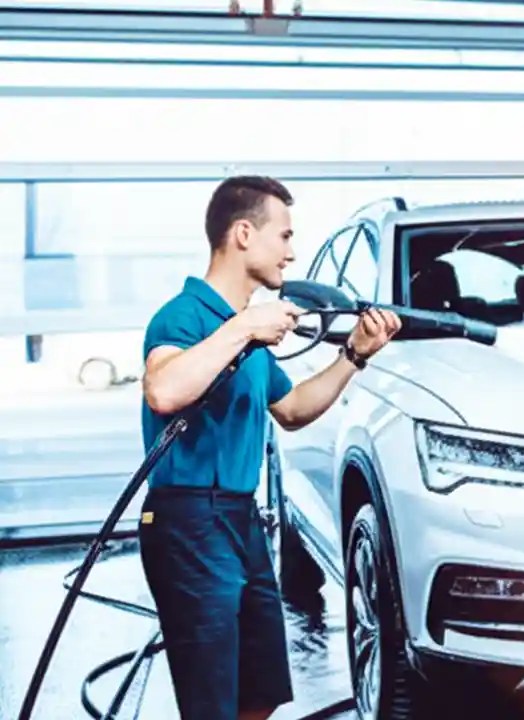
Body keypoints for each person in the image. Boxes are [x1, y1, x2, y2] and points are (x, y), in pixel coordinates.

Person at [136, 175, 401, 720]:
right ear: (243, 234)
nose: (291, 252)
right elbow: (163, 390)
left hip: (241, 519)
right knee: (212, 703)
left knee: (260, 692)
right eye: (283, 236)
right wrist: (243, 329)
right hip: (188, 522)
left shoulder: (249, 334)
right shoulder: (185, 316)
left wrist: (354, 355)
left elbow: (295, 408)